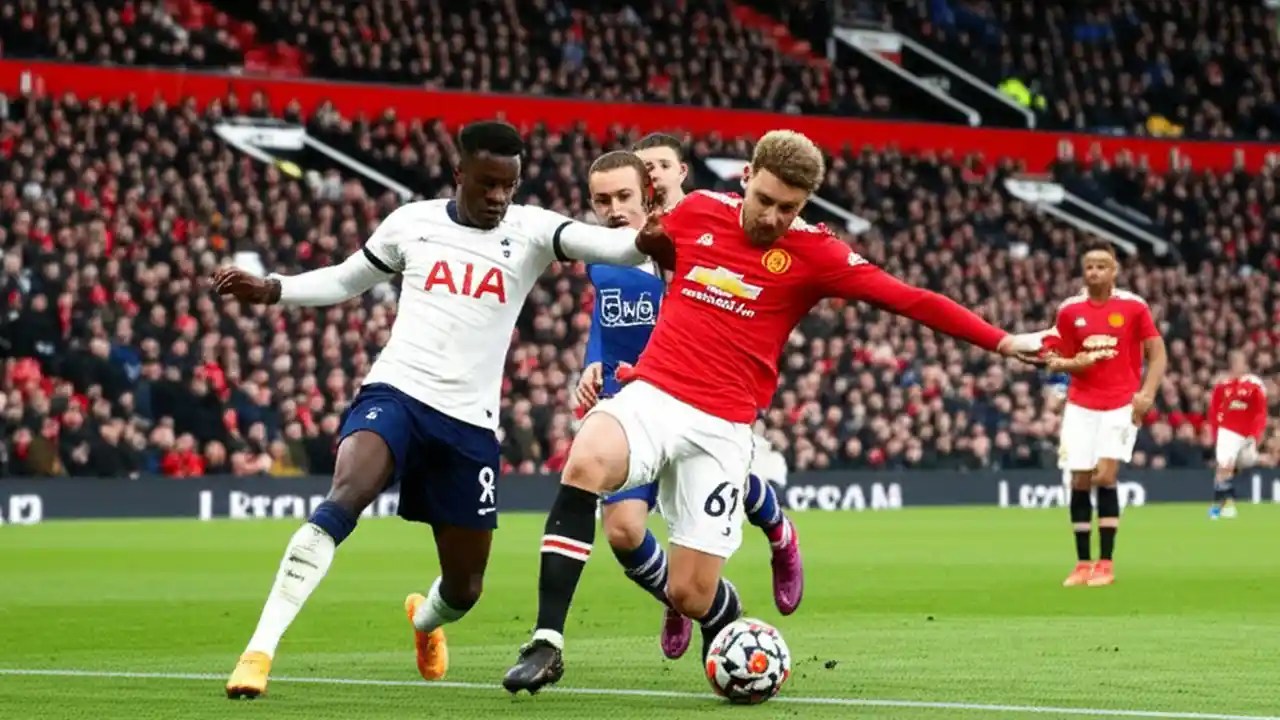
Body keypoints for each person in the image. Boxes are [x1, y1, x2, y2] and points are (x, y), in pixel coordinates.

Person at [502, 129, 1046, 694]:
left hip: (723, 428)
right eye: (765, 200)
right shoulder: (698, 213)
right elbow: (635, 249)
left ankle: (730, 602)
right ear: (745, 179)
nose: (773, 216)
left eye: (789, 208)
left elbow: (908, 297)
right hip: (654, 393)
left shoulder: (817, 252)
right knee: (587, 458)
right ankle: (547, 641)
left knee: (689, 594)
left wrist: (1002, 341)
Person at [214, 120, 666, 699]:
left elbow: (615, 246)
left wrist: (653, 235)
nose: (498, 197)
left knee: (465, 588)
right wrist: (274, 288)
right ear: (459, 175)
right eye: (486, 185)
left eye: (509, 185)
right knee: (342, 501)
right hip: (396, 394)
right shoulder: (412, 222)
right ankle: (258, 651)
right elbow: (347, 280)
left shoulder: (532, 230)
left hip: (469, 426)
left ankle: (424, 622)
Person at [577, 149, 802, 662]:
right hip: (635, 397)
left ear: (678, 172)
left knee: (724, 480)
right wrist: (593, 361)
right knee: (624, 530)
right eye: (644, 162)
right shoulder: (610, 245)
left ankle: (777, 533)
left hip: (699, 391)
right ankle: (678, 597)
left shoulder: (694, 232)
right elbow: (604, 313)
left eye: (660, 162)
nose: (651, 169)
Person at [1041, 242, 1166, 588]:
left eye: (1101, 266)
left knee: (1105, 475)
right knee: (1078, 480)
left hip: (1119, 404)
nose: (1094, 271)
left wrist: (1147, 393)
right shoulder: (1069, 311)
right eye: (1089, 266)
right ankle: (1083, 564)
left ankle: (1106, 563)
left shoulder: (1133, 307)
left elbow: (1158, 354)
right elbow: (1052, 358)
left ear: (1114, 271)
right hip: (1080, 405)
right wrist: (1071, 364)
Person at [1207, 350, 1266, 519]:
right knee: (1224, 466)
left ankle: (1220, 504)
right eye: (1238, 362)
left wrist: (1255, 434)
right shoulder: (1222, 387)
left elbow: (1260, 411)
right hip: (1227, 432)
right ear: (1232, 365)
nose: (1242, 365)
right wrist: (1215, 434)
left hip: (1247, 436)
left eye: (1243, 361)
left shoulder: (1253, 385)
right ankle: (1222, 506)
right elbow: (1214, 413)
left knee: (1243, 463)